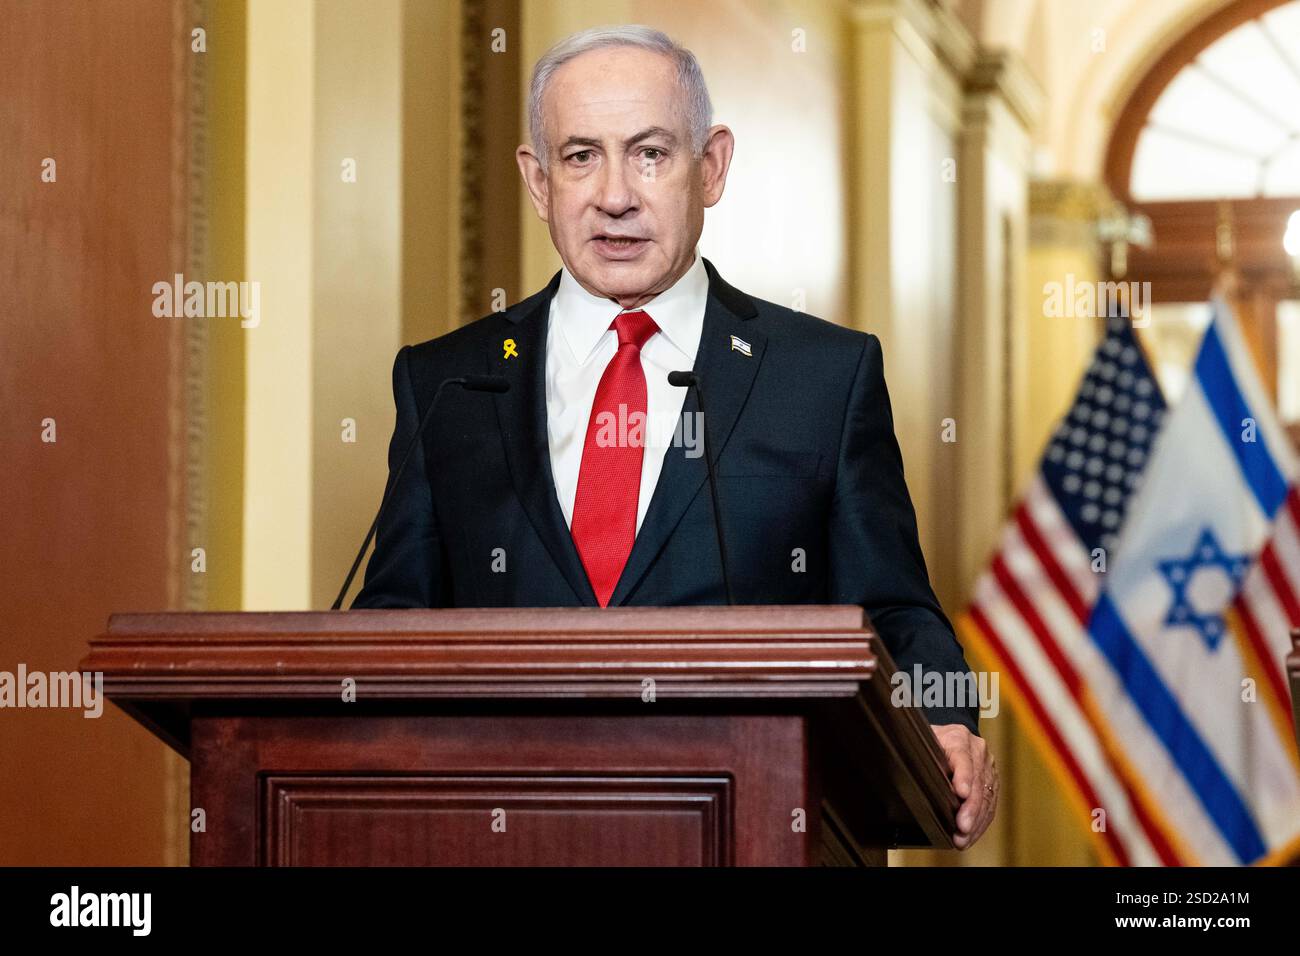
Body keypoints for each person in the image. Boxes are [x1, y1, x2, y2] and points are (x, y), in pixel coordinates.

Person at [354, 24, 997, 850]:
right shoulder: (446, 383)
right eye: (580, 155)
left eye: (650, 153)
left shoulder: (822, 377)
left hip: (758, 831)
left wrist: (944, 719)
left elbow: (898, 611)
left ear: (712, 166)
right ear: (537, 180)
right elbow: (392, 626)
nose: (614, 194)